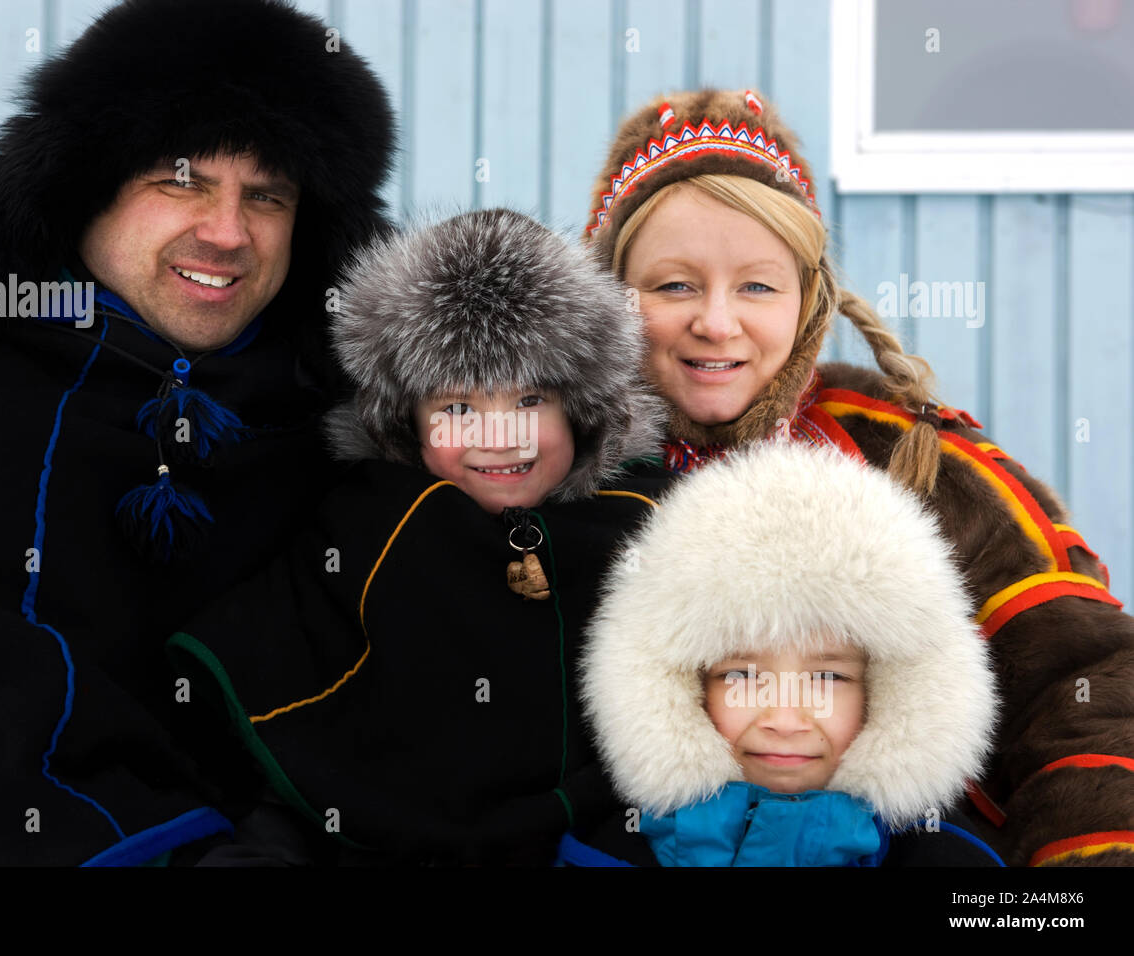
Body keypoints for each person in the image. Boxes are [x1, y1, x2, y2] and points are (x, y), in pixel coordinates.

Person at [0, 0, 394, 865]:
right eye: (181, 180)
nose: (227, 231)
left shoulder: (341, 421)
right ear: (85, 188)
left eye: (267, 195)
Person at [582, 87, 1134, 866]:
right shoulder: (552, 462)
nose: (716, 320)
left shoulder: (902, 453)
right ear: (608, 296)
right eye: (674, 285)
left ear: (809, 301)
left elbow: (1086, 675)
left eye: (757, 286)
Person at [167, 208, 672, 864]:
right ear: (406, 422)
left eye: (530, 401)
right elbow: (294, 676)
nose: (500, 436)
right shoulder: (371, 526)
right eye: (459, 407)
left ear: (581, 409)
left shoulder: (633, 524)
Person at [568, 440, 1002, 867]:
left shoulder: (948, 856)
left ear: (888, 691)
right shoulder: (603, 854)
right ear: (680, 686)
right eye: (742, 676)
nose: (784, 720)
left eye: (828, 678)